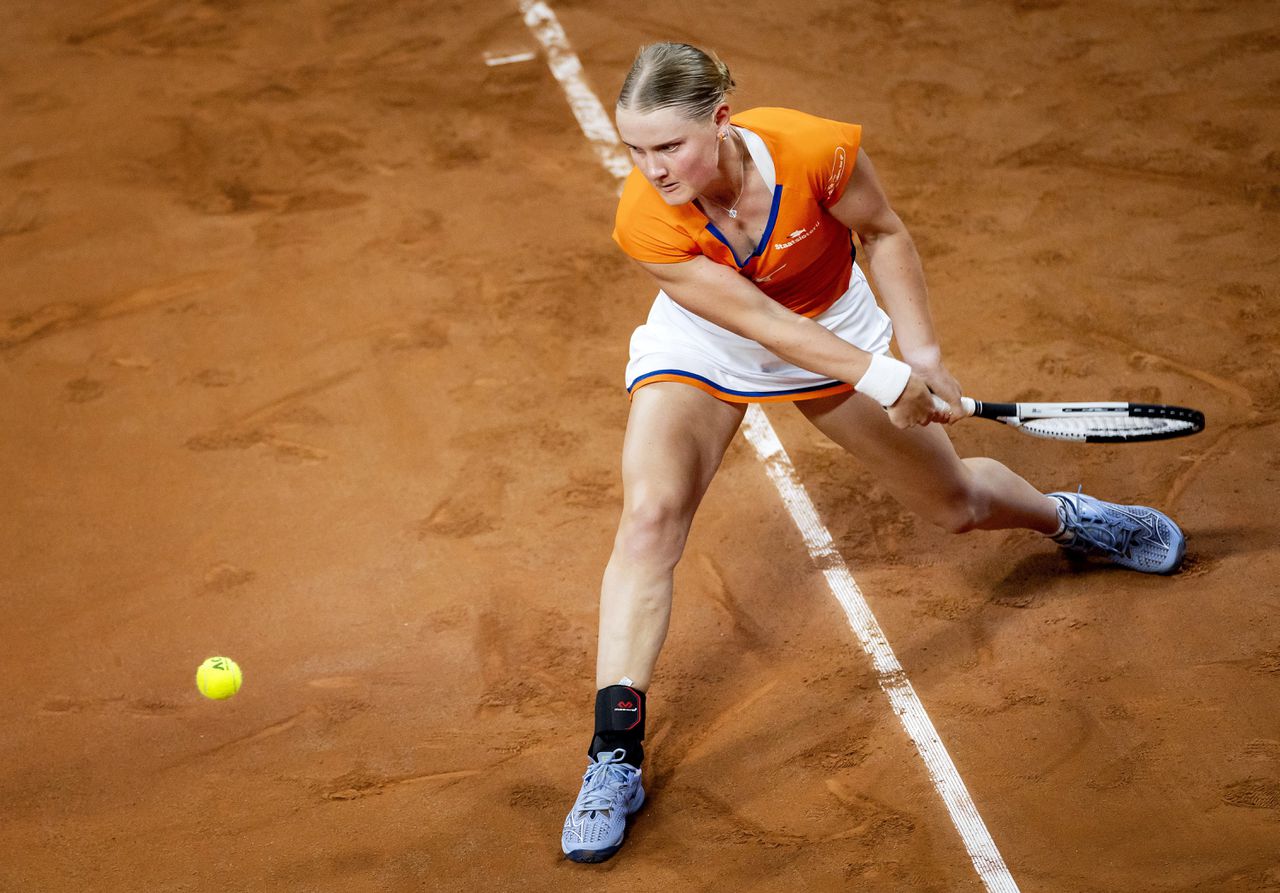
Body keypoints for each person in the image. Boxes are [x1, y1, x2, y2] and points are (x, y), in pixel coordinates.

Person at [559, 42, 1185, 864]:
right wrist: (884, 376)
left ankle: (1066, 516)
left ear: (720, 119)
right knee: (649, 517)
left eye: (667, 145)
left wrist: (919, 355)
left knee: (956, 505)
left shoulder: (813, 149)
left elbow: (883, 233)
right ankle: (614, 756)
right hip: (710, 346)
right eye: (635, 149)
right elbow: (764, 329)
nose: (651, 168)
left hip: (838, 325)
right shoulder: (644, 217)